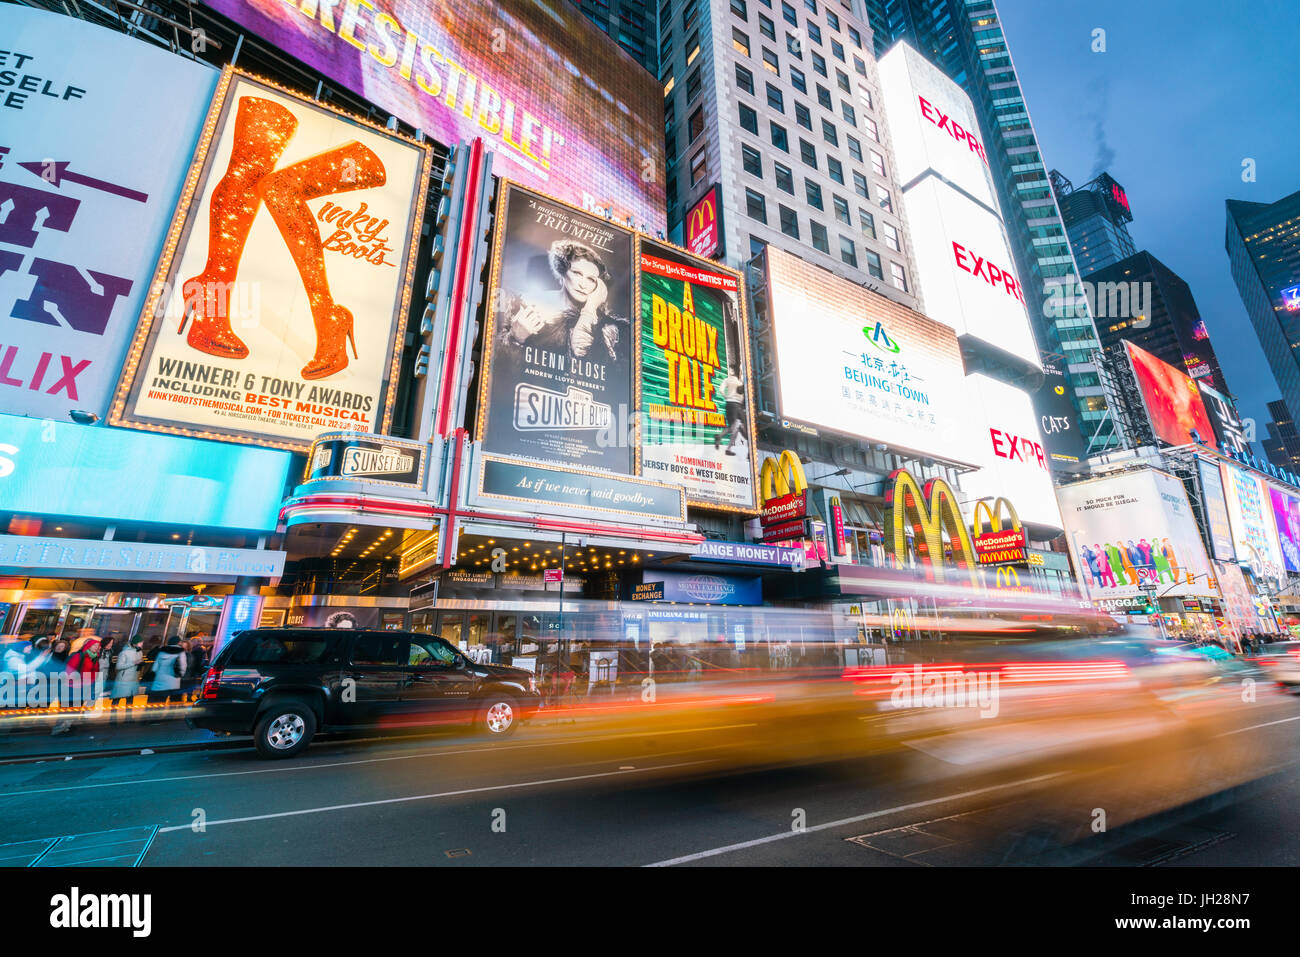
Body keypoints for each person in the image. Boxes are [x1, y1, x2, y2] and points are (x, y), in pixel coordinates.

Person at [498, 239, 629, 362]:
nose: (583, 285)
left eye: (591, 279)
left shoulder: (609, 327)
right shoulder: (525, 305)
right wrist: (515, 338)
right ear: (563, 272)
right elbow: (501, 366)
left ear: (598, 285)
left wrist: (590, 308)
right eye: (577, 273)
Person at [714, 364, 747, 456]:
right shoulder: (739, 382)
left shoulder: (727, 380)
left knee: (735, 428)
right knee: (738, 427)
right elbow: (742, 394)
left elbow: (721, 390)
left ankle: (728, 448)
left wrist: (727, 397)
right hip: (737, 406)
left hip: (729, 404)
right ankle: (720, 437)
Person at [148, 635, 188, 707]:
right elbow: (183, 666)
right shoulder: (180, 652)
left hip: (159, 678)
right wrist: (180, 675)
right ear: (178, 642)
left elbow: (155, 668)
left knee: (156, 701)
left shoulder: (162, 651)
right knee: (169, 701)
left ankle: (152, 715)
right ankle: (166, 716)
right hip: (172, 679)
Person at [111, 637, 143, 716]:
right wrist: (134, 663)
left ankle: (128, 717)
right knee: (117, 699)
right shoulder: (124, 652)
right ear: (135, 643)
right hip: (123, 679)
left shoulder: (139, 652)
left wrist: (141, 664)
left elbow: (137, 664)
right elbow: (118, 666)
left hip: (133, 679)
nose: (142, 644)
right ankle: (113, 718)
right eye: (141, 642)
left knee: (130, 700)